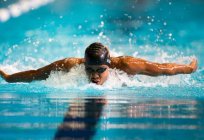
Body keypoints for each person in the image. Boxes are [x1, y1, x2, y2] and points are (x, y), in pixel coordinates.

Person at [0, 42, 197, 85]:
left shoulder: (127, 65)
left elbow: (162, 69)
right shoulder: (71, 65)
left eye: (100, 70)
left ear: (109, 66)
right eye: (89, 70)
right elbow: (36, 73)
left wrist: (188, 69)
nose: (94, 76)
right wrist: (8, 77)